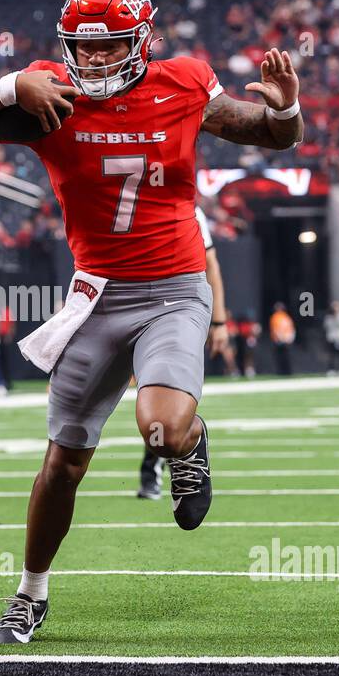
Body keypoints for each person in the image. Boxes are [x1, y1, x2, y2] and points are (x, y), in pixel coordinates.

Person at [0, 0, 302, 643]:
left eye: (112, 46)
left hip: (173, 286)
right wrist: (10, 85)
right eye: (86, 46)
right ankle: (30, 594)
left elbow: (272, 135)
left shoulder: (185, 82)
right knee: (63, 462)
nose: (97, 58)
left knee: (159, 424)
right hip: (97, 294)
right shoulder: (52, 90)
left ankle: (191, 443)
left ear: (144, 39)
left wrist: (283, 107)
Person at [138, 205, 229, 499]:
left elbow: (211, 263)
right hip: (117, 303)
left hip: (171, 312)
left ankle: (155, 468)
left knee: (163, 395)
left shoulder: (184, 205)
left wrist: (219, 321)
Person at [269, 302, 296, 375]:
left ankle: (284, 372)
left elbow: (290, 329)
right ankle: (285, 372)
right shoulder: (284, 317)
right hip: (282, 340)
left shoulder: (279, 317)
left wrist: (285, 338)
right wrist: (289, 338)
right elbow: (276, 329)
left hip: (282, 340)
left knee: (283, 358)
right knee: (283, 357)